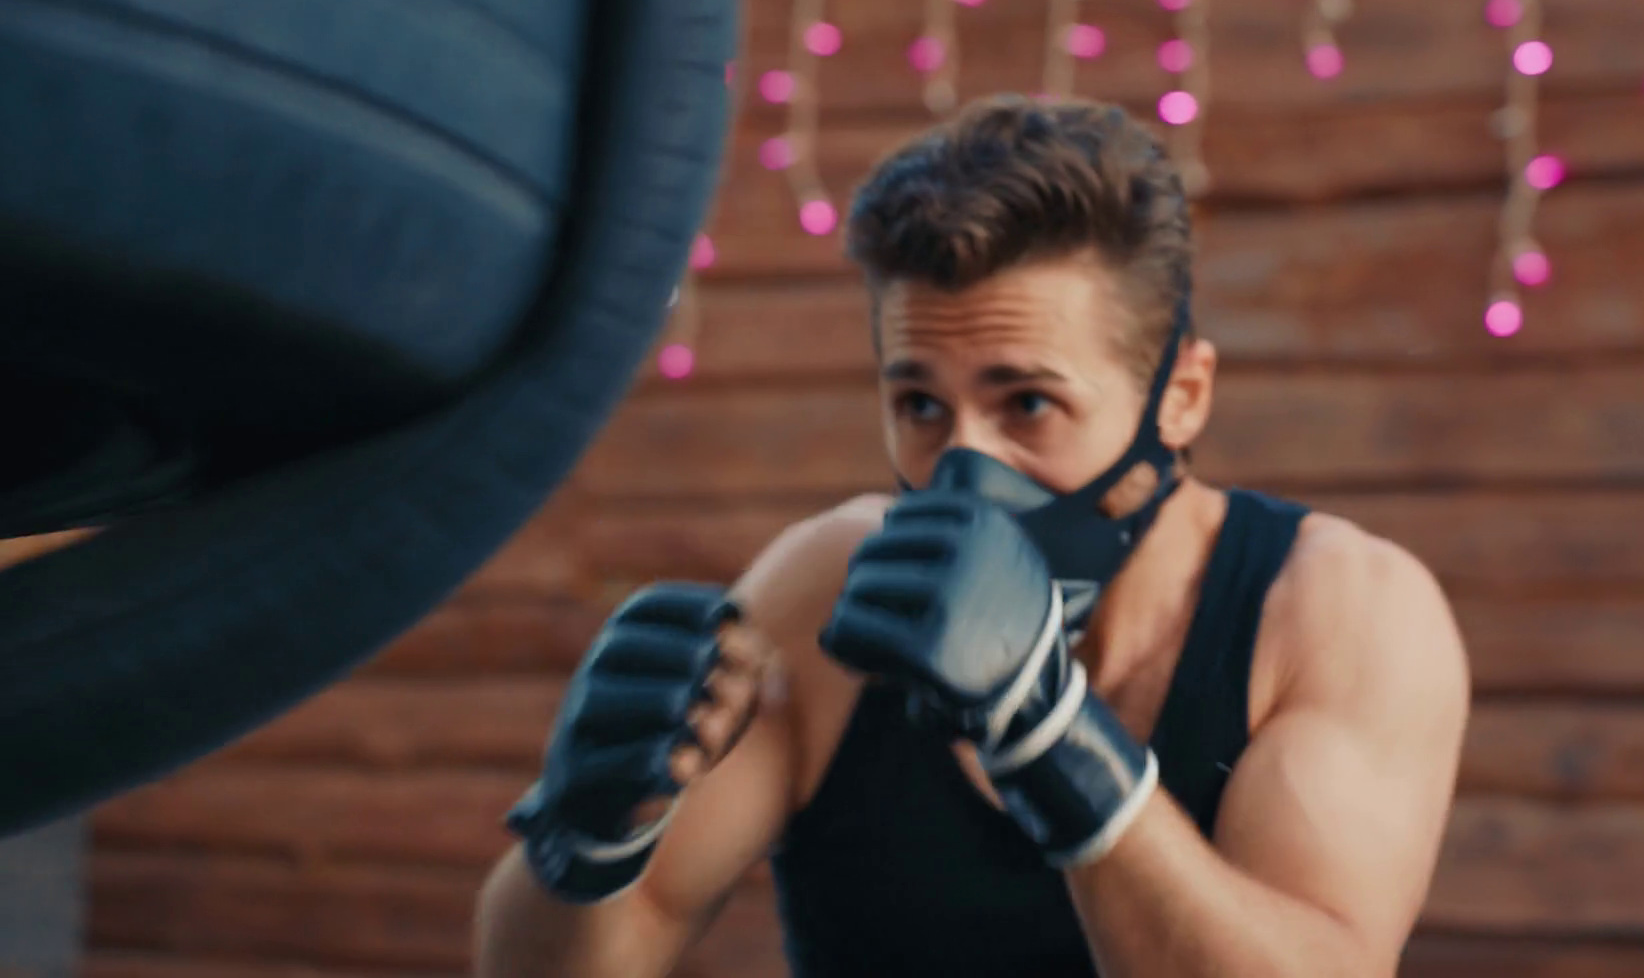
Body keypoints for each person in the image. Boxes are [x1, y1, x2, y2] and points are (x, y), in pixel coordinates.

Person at [474, 94, 1471, 977]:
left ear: (1181, 398)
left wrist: (1049, 735)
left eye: (1028, 403)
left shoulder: (1339, 612)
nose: (963, 467)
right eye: (919, 404)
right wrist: (583, 843)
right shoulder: (825, 594)